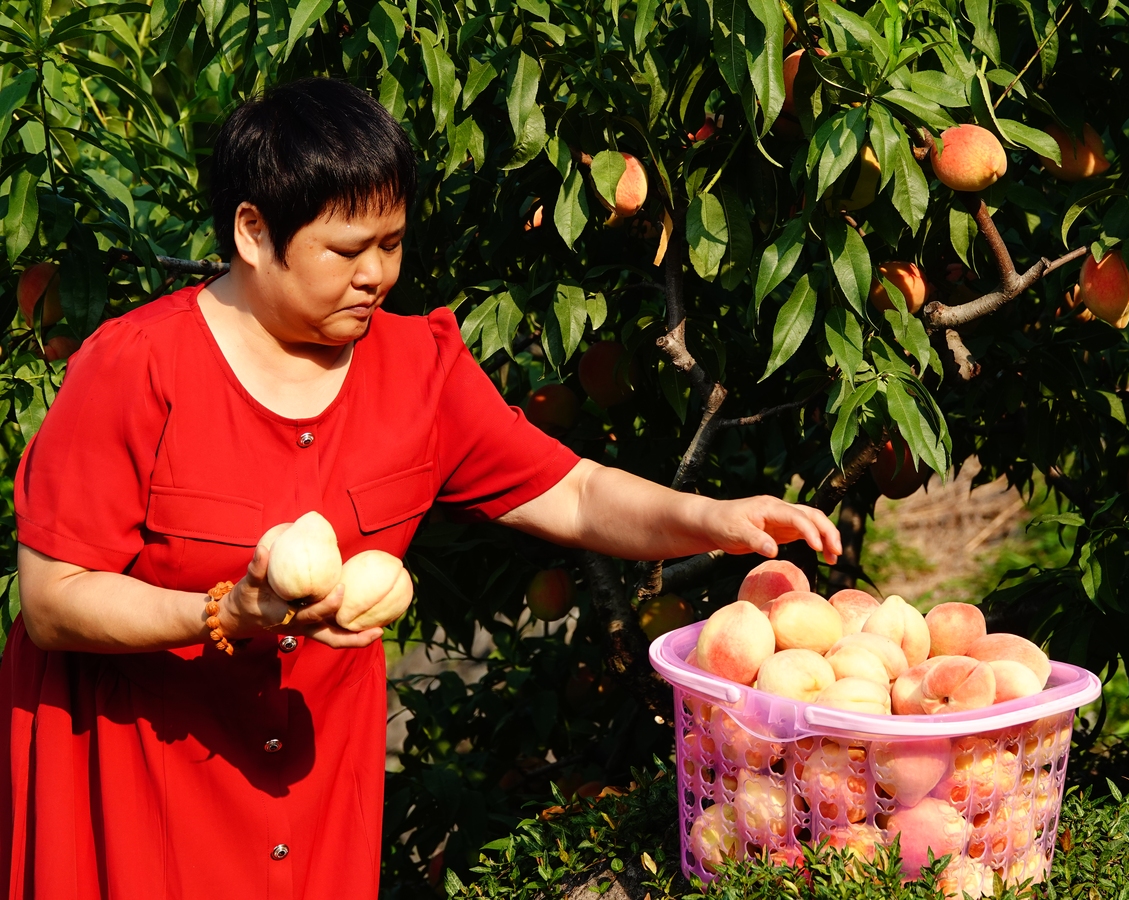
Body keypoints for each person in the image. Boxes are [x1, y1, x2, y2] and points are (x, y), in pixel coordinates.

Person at [0, 78, 840, 898]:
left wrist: (713, 518)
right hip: (144, 786)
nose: (376, 276)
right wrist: (220, 613)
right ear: (254, 233)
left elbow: (573, 492)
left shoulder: (416, 369)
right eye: (345, 250)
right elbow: (52, 599)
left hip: (315, 788)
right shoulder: (136, 367)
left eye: (392, 244)